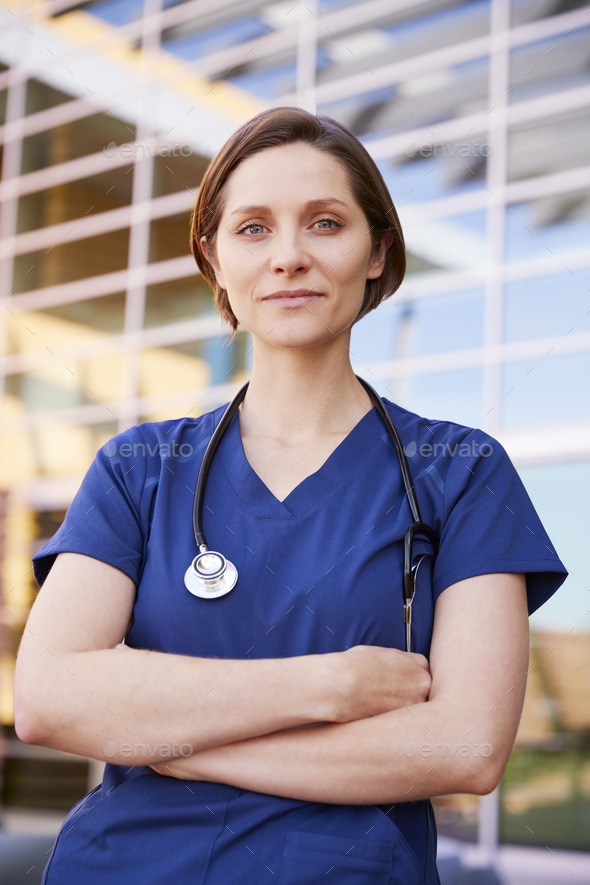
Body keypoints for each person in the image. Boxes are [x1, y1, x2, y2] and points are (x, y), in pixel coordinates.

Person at [14, 107, 568, 885]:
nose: (288, 257)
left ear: (376, 251)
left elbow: (466, 747)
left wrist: (178, 742)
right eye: (253, 229)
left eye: (325, 223)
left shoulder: (461, 471)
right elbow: (47, 696)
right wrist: (329, 685)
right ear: (214, 260)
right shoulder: (138, 468)